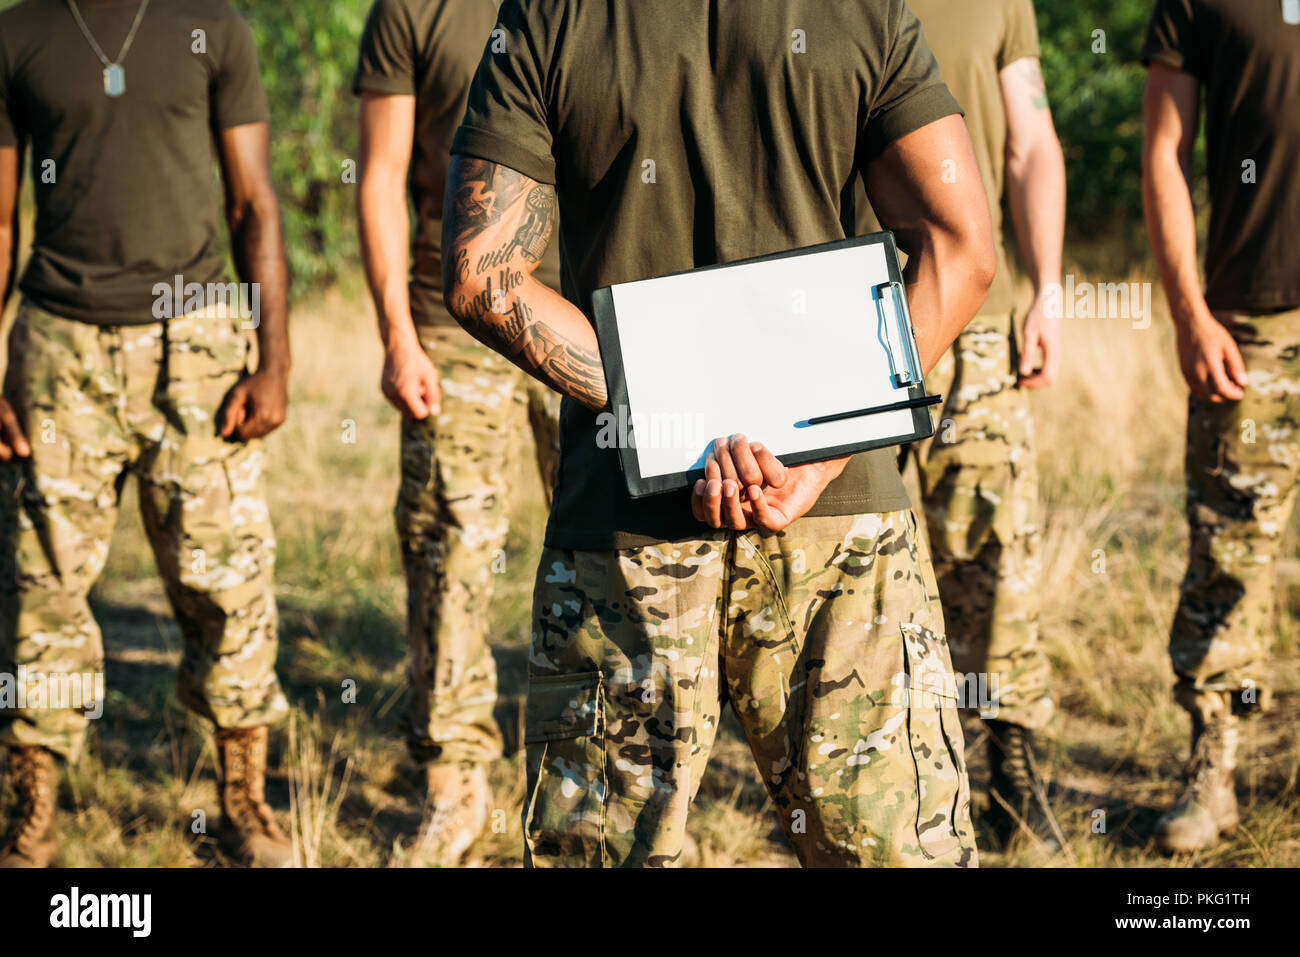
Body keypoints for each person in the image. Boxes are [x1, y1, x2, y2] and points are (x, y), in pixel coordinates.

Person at [444, 0, 996, 866]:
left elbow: (483, 278)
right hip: (840, 520)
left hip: (623, 524)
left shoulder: (549, 16)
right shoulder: (866, 10)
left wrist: (678, 423)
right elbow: (963, 249)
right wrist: (815, 455)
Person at [0, 0, 293, 867]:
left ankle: (246, 804)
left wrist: (273, 358)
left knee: (230, 583)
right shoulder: (18, 36)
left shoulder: (215, 28)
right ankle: (34, 812)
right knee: (40, 592)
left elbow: (254, 204)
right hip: (60, 343)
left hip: (197, 345)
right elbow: (0, 221)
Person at [353, 0, 561, 866]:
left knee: (626, 551)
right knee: (450, 552)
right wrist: (399, 334)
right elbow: (381, 173)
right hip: (453, 318)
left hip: (586, 315)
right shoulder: (409, 10)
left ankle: (631, 779)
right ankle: (453, 787)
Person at [857, 0, 1067, 852]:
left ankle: (1011, 772)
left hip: (972, 308)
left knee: (991, 550)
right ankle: (878, 782)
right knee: (856, 559)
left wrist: (1047, 286)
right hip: (846, 307)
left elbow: (1031, 140)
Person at [1141, 0, 1300, 854]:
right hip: (1250, 325)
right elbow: (1163, 153)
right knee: (1229, 560)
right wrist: (1189, 312)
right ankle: (1216, 765)